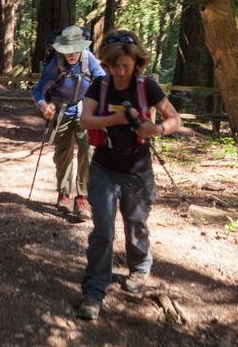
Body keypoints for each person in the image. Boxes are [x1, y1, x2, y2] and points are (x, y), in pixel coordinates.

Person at [77, 29, 181, 321]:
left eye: (126, 65)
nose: (121, 72)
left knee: (136, 224)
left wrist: (157, 129)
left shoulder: (147, 86)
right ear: (107, 65)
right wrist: (118, 118)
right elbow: (85, 120)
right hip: (103, 168)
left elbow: (175, 118)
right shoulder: (99, 86)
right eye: (115, 66)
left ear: (137, 63)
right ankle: (94, 290)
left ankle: (139, 267)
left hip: (137, 170)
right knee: (103, 232)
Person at [32, 25, 105, 219]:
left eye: (75, 50)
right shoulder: (55, 65)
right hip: (61, 110)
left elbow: (103, 83)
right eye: (67, 50)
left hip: (84, 109)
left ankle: (82, 197)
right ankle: (64, 193)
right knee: (63, 152)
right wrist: (43, 106)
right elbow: (38, 90)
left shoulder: (89, 60)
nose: (71, 54)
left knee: (87, 150)